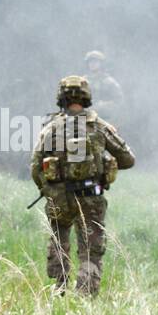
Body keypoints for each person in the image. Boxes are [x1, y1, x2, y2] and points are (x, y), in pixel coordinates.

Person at [30, 75, 135, 296]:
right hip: (91, 199)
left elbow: (35, 166)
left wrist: (48, 189)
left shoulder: (51, 128)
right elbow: (128, 159)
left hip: (59, 199)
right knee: (90, 249)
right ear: (87, 98)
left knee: (59, 241)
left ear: (61, 98)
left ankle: (58, 289)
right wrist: (105, 163)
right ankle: (85, 296)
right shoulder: (99, 126)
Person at [84, 50, 124, 123]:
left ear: (101, 64)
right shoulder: (83, 81)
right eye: (90, 62)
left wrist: (102, 105)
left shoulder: (109, 81)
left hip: (103, 119)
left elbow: (118, 100)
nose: (92, 64)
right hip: (86, 118)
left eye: (95, 62)